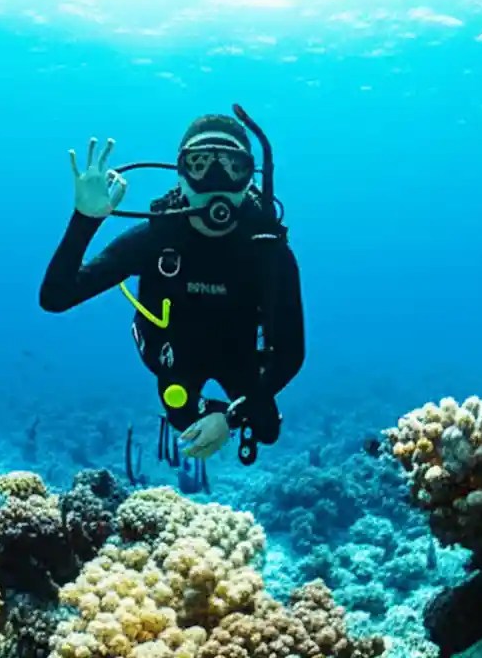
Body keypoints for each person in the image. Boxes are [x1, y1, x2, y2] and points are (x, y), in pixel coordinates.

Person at [38, 111, 305, 465]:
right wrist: (85, 220)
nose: (216, 181)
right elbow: (56, 297)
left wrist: (230, 418)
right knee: (183, 418)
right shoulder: (157, 239)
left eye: (232, 166)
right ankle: (213, 411)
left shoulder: (269, 252)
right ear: (181, 175)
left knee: (267, 429)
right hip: (177, 358)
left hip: (240, 356)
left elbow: (291, 355)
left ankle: (231, 414)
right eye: (200, 165)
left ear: (249, 177)